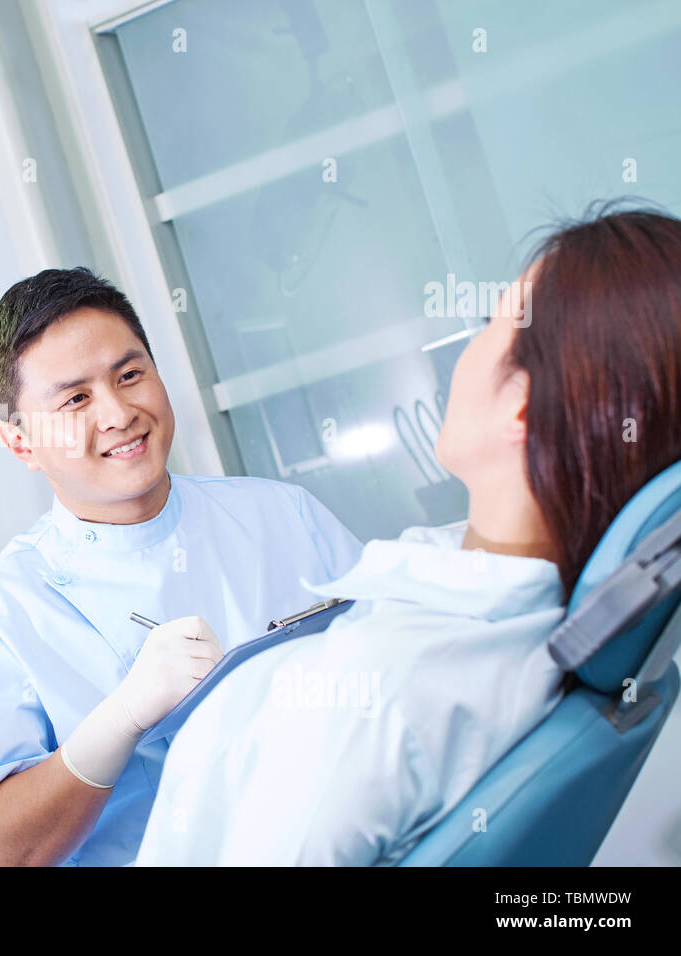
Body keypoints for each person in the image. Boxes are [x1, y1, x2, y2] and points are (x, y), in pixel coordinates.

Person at [136, 203, 681, 865]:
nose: (468, 347)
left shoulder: (381, 695)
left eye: (490, 323)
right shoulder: (533, 630)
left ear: (523, 404)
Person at [0, 268, 364, 865]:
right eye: (76, 399)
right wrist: (120, 720)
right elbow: (0, 852)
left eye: (130, 376)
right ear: (20, 443)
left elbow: (399, 672)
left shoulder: (282, 515)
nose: (118, 413)